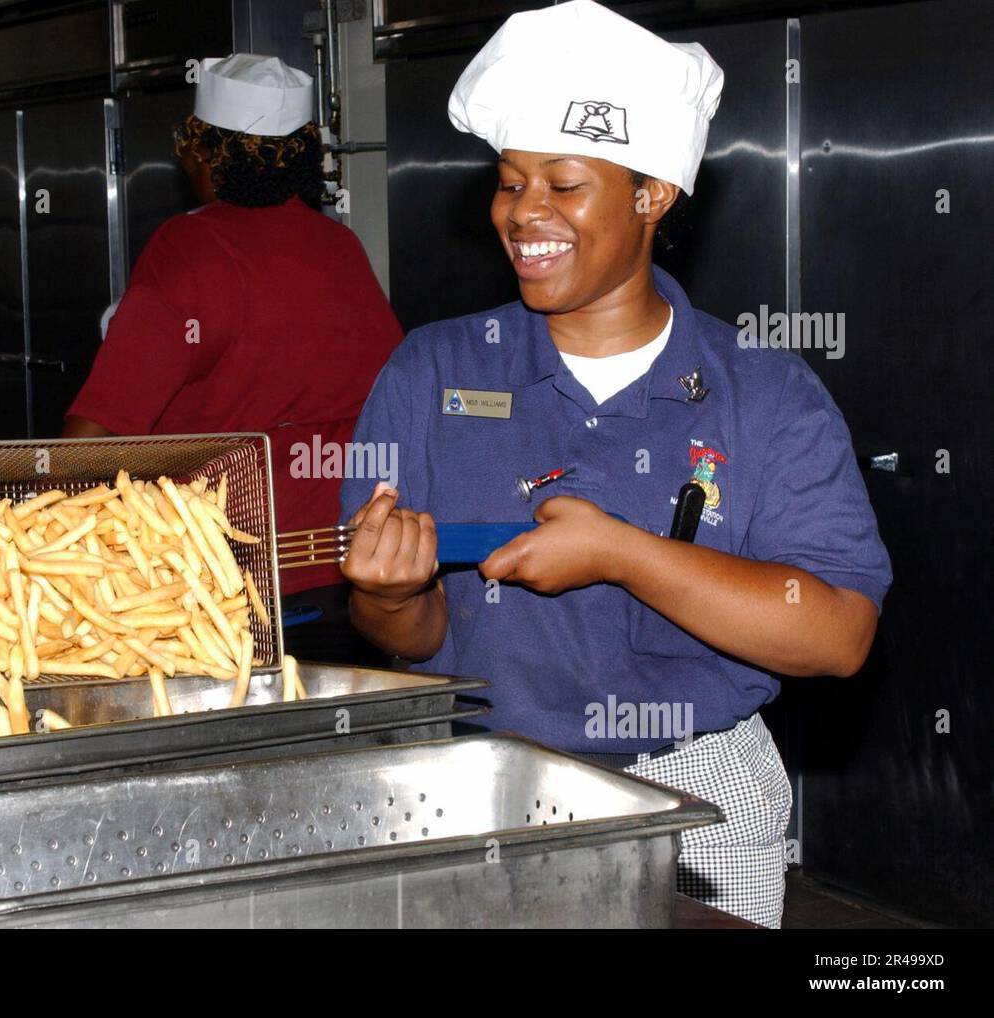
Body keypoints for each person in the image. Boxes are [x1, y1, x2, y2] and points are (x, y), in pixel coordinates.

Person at [338, 0, 891, 928]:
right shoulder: (434, 370)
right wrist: (391, 598)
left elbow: (836, 635)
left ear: (653, 195)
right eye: (510, 184)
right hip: (477, 778)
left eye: (564, 184)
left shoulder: (763, 394)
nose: (526, 216)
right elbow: (410, 636)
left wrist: (622, 553)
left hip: (693, 792)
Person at [66, 55, 404, 630]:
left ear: (207, 152)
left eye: (188, 143)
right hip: (343, 580)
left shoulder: (189, 246)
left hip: (217, 584)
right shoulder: (340, 248)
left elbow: (97, 427)